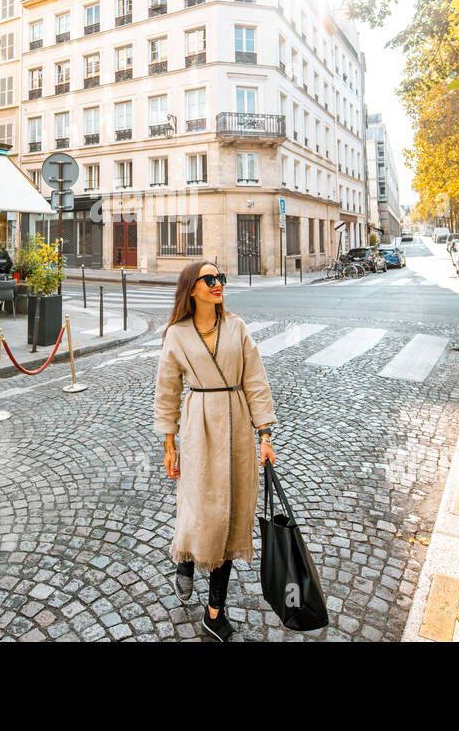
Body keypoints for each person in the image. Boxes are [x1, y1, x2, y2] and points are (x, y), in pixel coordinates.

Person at [153, 260, 276, 642]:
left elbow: (255, 379)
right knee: (198, 504)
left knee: (233, 511)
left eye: (220, 278)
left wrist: (265, 435)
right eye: (209, 279)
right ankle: (185, 557)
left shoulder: (236, 328)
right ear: (192, 288)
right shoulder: (177, 334)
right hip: (199, 426)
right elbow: (167, 391)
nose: (218, 283)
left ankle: (215, 612)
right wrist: (169, 442)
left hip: (237, 423)